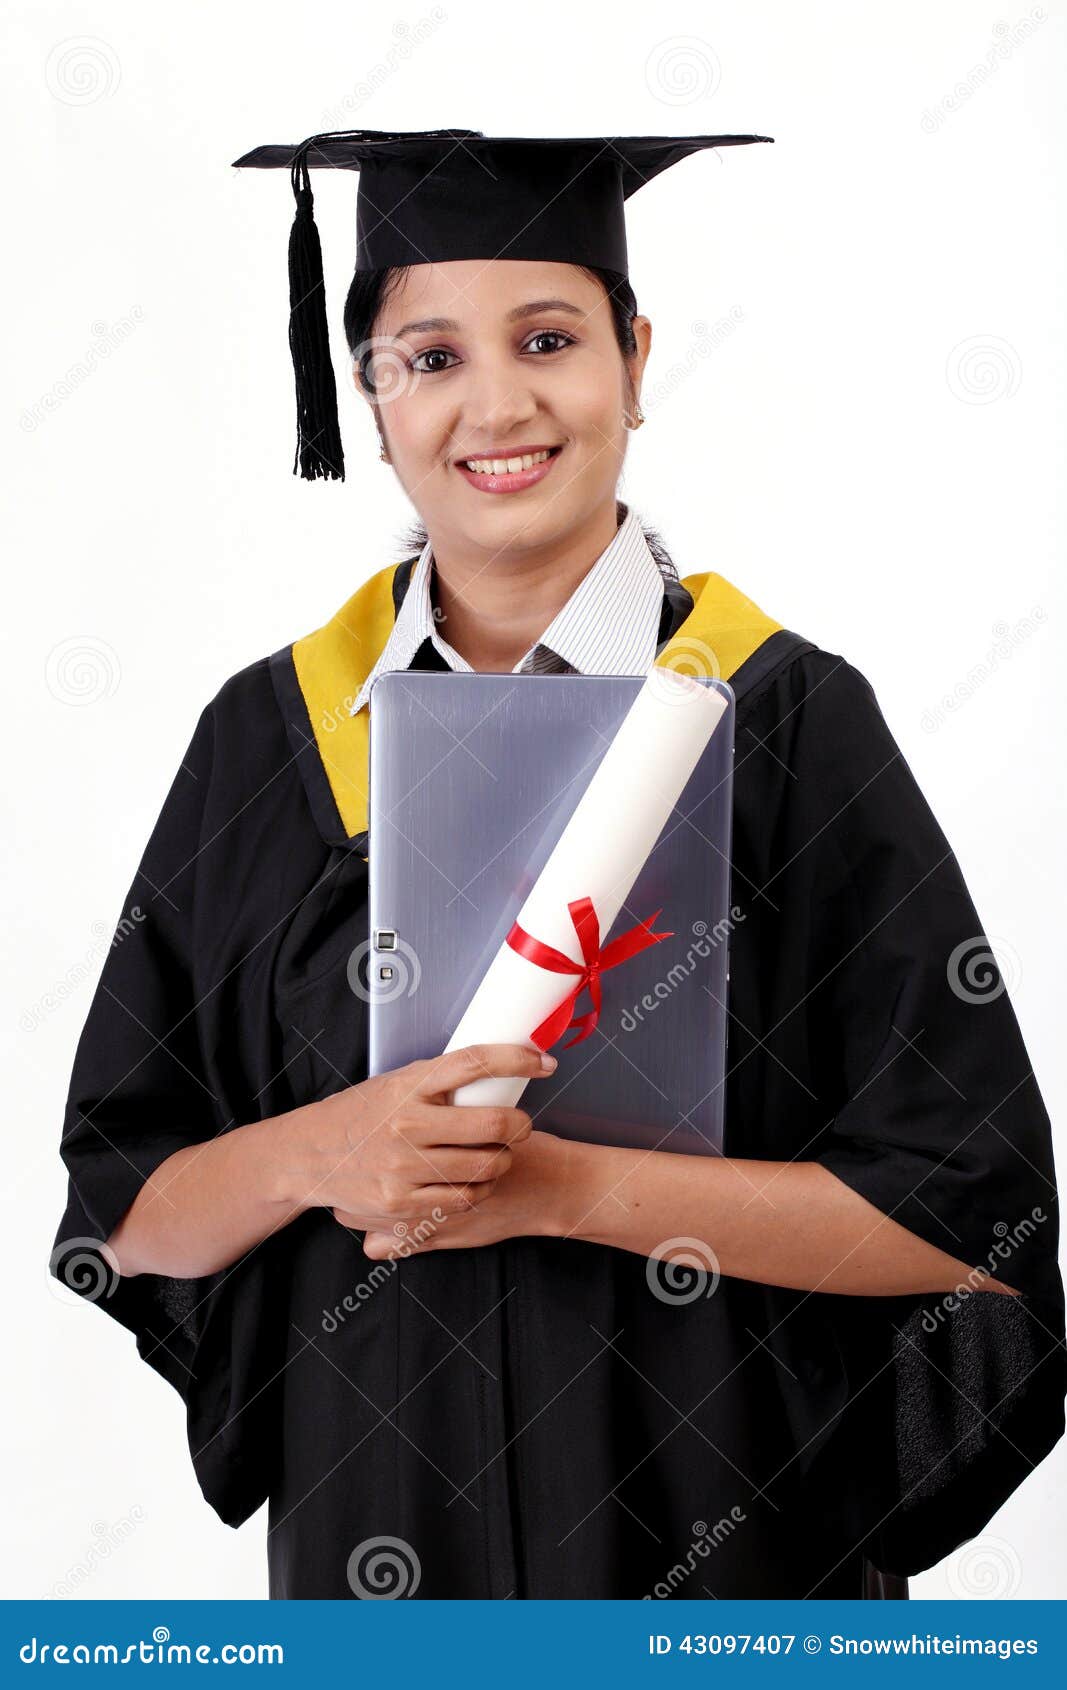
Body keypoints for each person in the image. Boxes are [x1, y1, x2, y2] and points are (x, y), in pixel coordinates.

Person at [52, 129, 1065, 1601]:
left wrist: (572, 1188)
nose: (499, 401)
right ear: (371, 396)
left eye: (550, 338)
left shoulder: (783, 720)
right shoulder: (271, 741)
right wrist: (325, 1150)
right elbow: (127, 1206)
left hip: (730, 1562)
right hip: (376, 1567)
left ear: (636, 362)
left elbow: (970, 1216)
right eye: (431, 354)